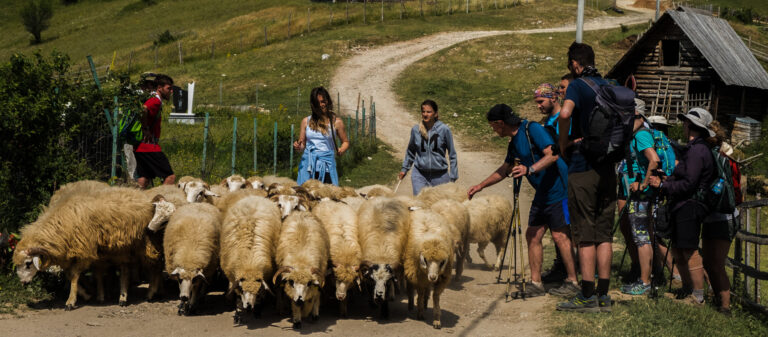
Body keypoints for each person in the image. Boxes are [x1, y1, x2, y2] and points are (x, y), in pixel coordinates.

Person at [468, 104, 577, 298]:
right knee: (532, 235)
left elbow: (552, 154)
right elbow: (505, 169)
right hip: (542, 194)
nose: (492, 130)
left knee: (560, 236)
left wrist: (530, 170)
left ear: (500, 123)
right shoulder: (514, 141)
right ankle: (536, 283)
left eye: (493, 126)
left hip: (558, 190)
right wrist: (480, 186)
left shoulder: (532, 129)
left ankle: (573, 281)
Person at [649, 108, 731, 313]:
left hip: (691, 205)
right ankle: (687, 289)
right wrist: (668, 179)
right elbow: (686, 178)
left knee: (688, 249)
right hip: (685, 204)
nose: (684, 125)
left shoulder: (697, 150)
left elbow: (689, 184)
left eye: (686, 122)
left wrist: (662, 185)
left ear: (691, 126)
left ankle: (697, 295)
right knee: (678, 247)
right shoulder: (696, 148)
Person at [556, 42, 616, 312]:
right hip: (608, 168)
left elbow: (565, 113)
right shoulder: (611, 85)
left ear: (575, 64)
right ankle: (604, 295)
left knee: (586, 235)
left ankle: (586, 295)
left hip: (583, 166)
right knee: (604, 234)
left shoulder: (578, 86)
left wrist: (563, 142)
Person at [534, 83, 573, 287]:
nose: (539, 106)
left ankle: (572, 272)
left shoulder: (563, 120)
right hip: (553, 180)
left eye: (541, 101)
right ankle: (560, 267)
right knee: (556, 228)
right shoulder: (546, 121)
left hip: (567, 177)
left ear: (553, 98)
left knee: (564, 228)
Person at [399, 100, 458, 195]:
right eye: (423, 111)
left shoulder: (444, 130)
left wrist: (453, 176)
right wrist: (404, 169)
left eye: (429, 112)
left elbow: (452, 154)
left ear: (435, 114)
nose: (425, 114)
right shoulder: (416, 130)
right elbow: (411, 151)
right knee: (420, 203)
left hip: (440, 176)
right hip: (420, 174)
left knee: (440, 206)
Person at [295, 86, 350, 186]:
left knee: (327, 197)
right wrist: (298, 146)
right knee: (305, 197)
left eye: (323, 101)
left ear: (328, 101)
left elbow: (345, 142)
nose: (321, 105)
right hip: (308, 166)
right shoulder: (306, 122)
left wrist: (342, 149)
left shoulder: (336, 123)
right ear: (313, 105)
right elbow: (302, 144)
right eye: (318, 103)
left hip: (326, 166)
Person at [135, 74, 176, 189]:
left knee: (144, 178)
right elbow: (144, 109)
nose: (171, 91)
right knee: (170, 177)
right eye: (168, 88)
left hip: (140, 146)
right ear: (159, 88)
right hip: (149, 146)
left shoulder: (153, 100)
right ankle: (161, 203)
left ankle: (133, 201)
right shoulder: (155, 101)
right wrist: (145, 129)